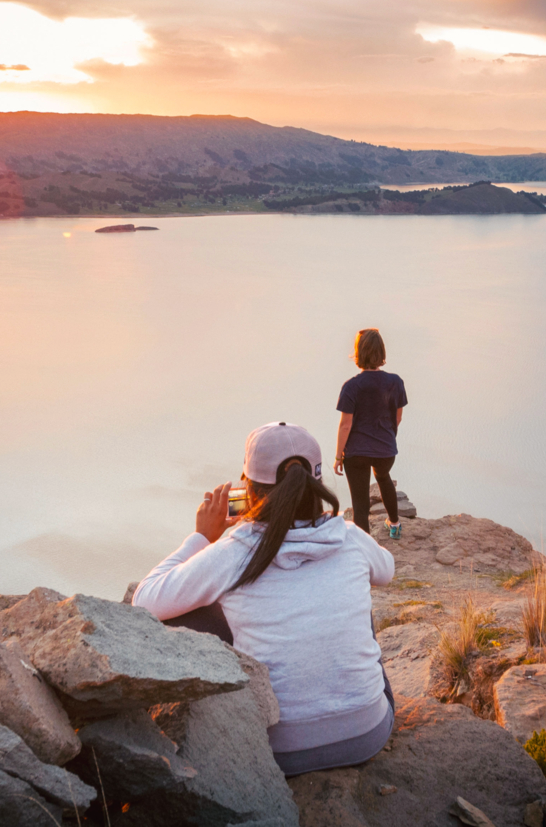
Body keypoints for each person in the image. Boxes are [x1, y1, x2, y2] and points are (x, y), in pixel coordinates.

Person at [132, 422, 395, 775]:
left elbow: (145, 600)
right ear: (315, 484)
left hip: (279, 750)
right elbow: (387, 571)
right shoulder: (347, 536)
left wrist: (201, 538)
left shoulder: (233, 551)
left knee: (198, 607)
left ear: (248, 488)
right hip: (367, 734)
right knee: (358, 600)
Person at [334, 328, 408, 539]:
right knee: (383, 478)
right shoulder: (396, 382)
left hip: (356, 453)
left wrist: (339, 456)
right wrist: (386, 440)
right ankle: (394, 525)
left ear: (358, 354)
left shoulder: (351, 386)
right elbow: (397, 418)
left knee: (360, 502)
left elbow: (345, 425)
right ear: (381, 352)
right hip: (385, 451)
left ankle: (364, 548)